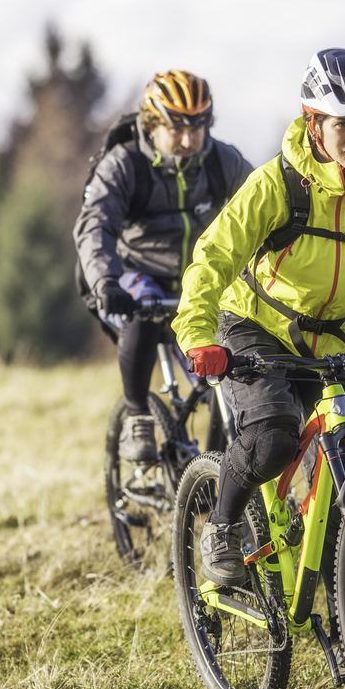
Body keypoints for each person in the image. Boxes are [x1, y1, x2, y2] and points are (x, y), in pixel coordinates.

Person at [172, 47, 345, 677]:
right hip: (255, 325)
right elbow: (213, 257)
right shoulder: (278, 183)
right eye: (342, 124)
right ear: (313, 122)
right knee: (273, 437)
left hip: (333, 342)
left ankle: (344, 628)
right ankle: (222, 527)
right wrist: (198, 336)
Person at [74, 70, 252, 462]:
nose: (189, 141)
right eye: (177, 129)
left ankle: (218, 476)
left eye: (198, 128)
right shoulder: (124, 164)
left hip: (196, 280)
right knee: (144, 309)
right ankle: (137, 414)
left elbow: (264, 208)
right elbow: (95, 226)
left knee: (227, 373)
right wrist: (105, 281)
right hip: (133, 277)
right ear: (153, 126)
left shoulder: (221, 161)